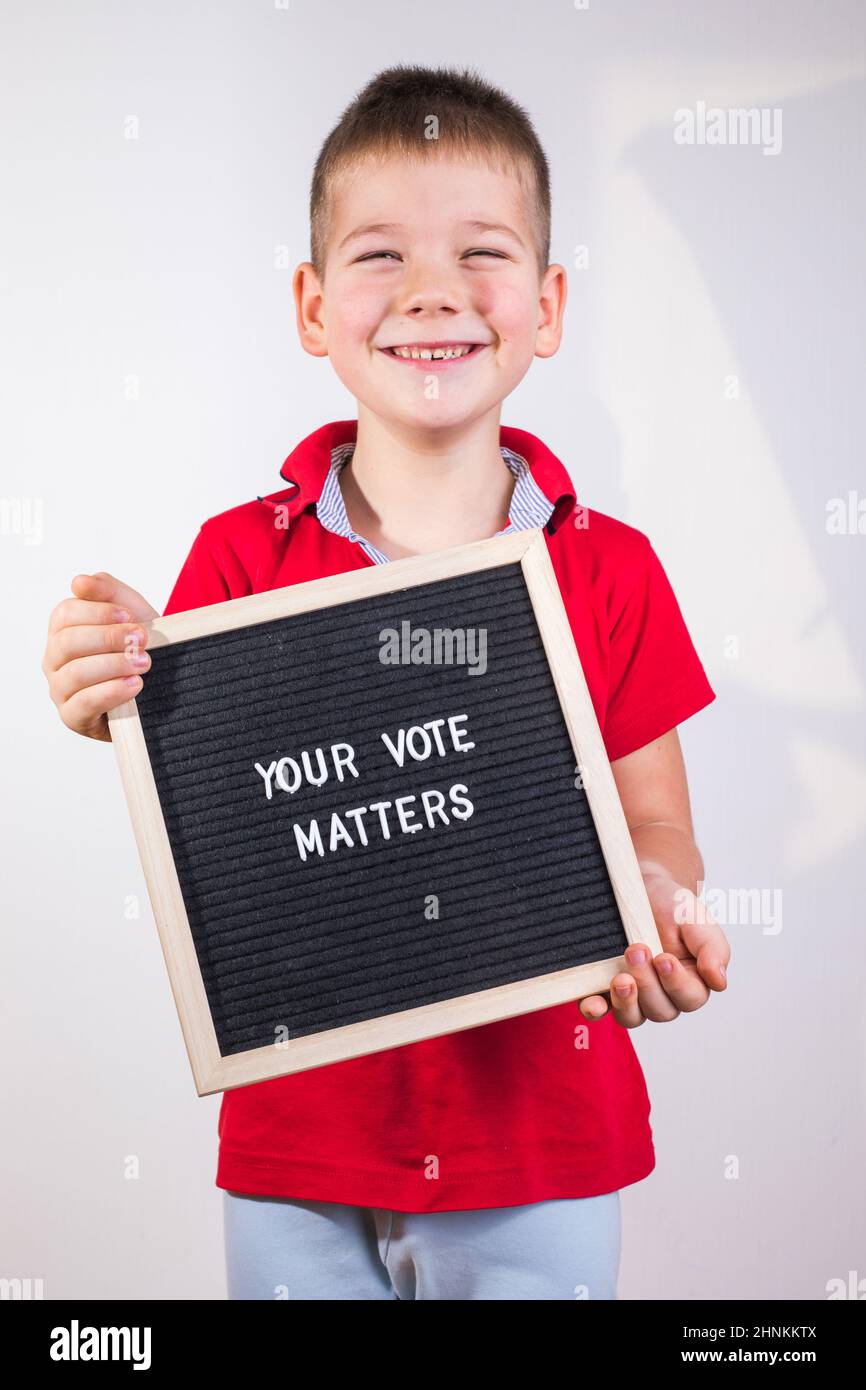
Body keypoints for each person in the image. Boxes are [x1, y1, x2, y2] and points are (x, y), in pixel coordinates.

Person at [41, 63, 730, 1301]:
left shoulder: (611, 570)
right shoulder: (237, 557)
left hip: (539, 1141)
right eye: (377, 258)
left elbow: (656, 826)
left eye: (481, 251)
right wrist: (117, 689)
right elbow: (214, 797)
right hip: (296, 1138)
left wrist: (660, 905)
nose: (430, 292)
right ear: (310, 307)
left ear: (548, 302)